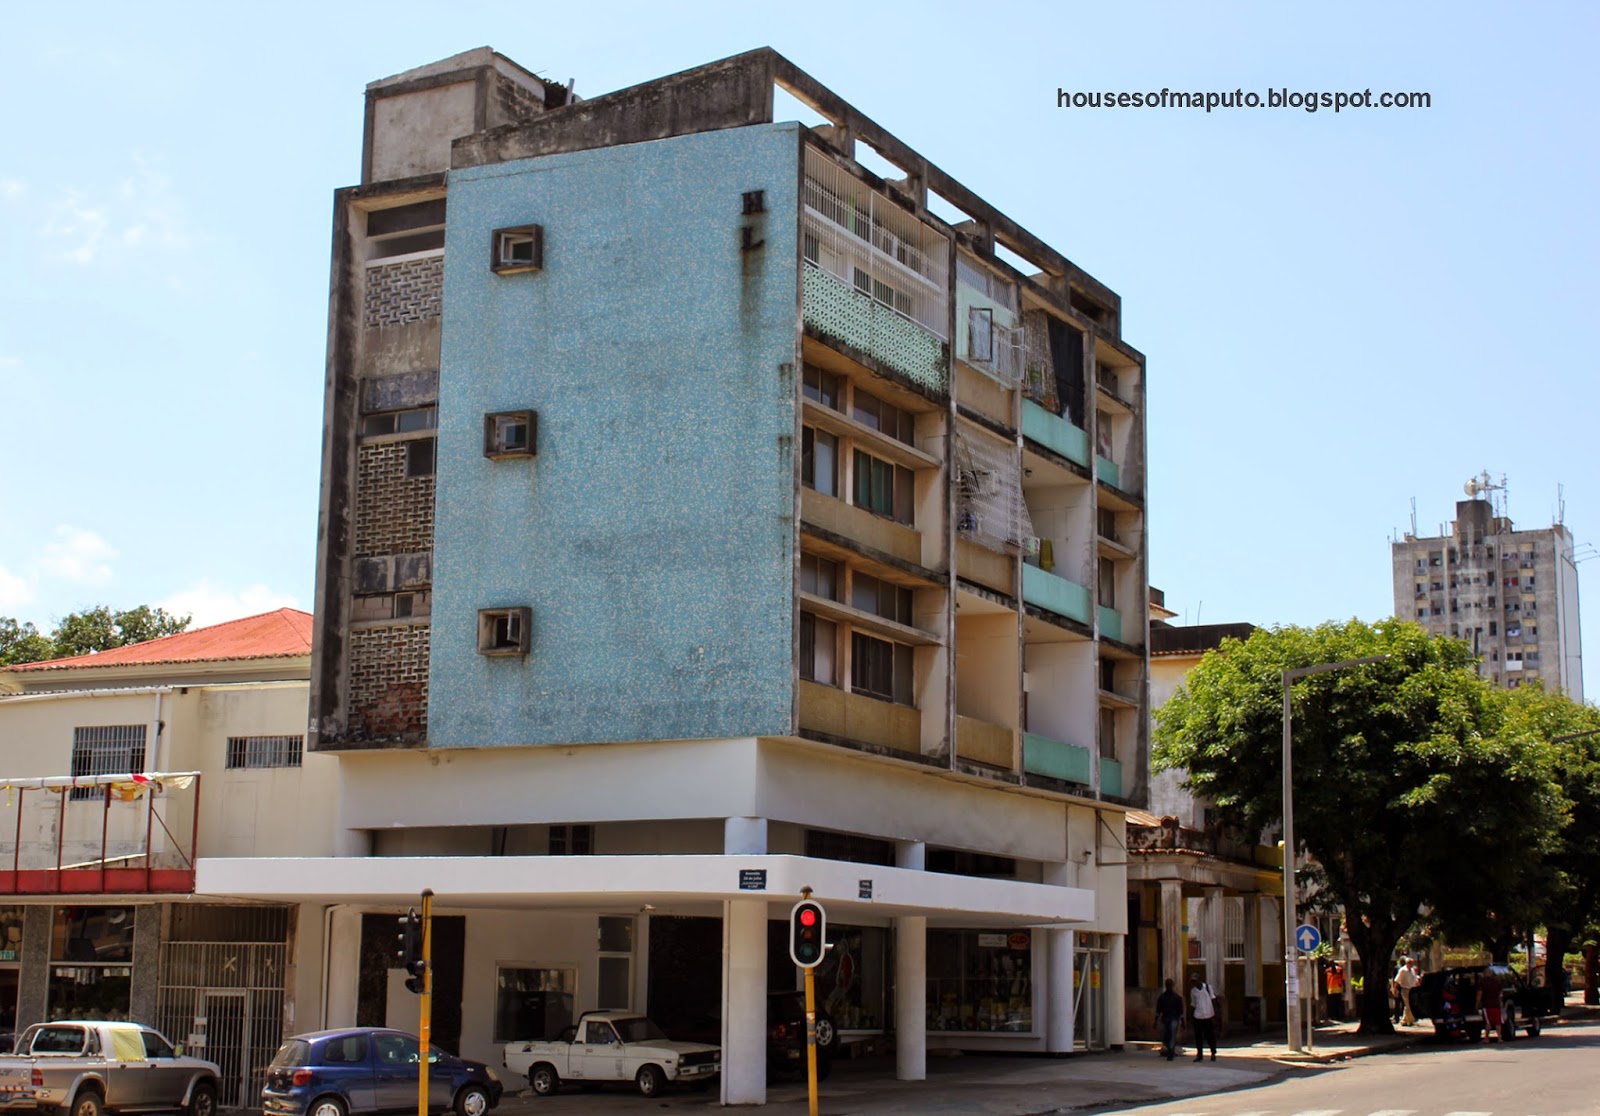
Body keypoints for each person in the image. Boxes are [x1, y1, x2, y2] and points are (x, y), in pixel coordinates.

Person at [1188, 974, 1219, 1061]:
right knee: (1198, 1037)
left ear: (1199, 980)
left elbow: (1213, 999)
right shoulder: (1193, 991)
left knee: (1210, 1036)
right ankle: (1199, 1055)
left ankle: (1213, 1053)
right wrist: (1191, 1017)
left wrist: (1216, 1014)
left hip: (1209, 1015)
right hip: (1198, 1016)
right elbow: (1193, 1004)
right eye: (1192, 981)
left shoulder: (1208, 988)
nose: (1194, 983)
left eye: (1195, 981)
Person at [1155, 978, 1184, 1061]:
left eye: (1170, 985)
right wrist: (1155, 1020)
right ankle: (1169, 1049)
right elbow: (1158, 1010)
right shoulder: (1162, 997)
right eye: (1168, 985)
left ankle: (1170, 1051)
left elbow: (1180, 1010)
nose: (1169, 987)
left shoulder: (1176, 998)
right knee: (1167, 1035)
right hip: (1165, 1018)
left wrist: (1183, 1021)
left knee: (1172, 1035)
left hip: (1173, 1018)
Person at [1478, 966, 1504, 1042]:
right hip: (1496, 1005)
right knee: (1498, 1022)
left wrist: (1477, 1004)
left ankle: (1486, 1038)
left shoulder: (1483, 982)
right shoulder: (1497, 981)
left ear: (1485, 973)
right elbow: (1501, 993)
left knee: (1488, 1022)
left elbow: (1480, 993)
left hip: (1487, 1005)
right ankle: (1499, 1038)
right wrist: (1500, 1002)